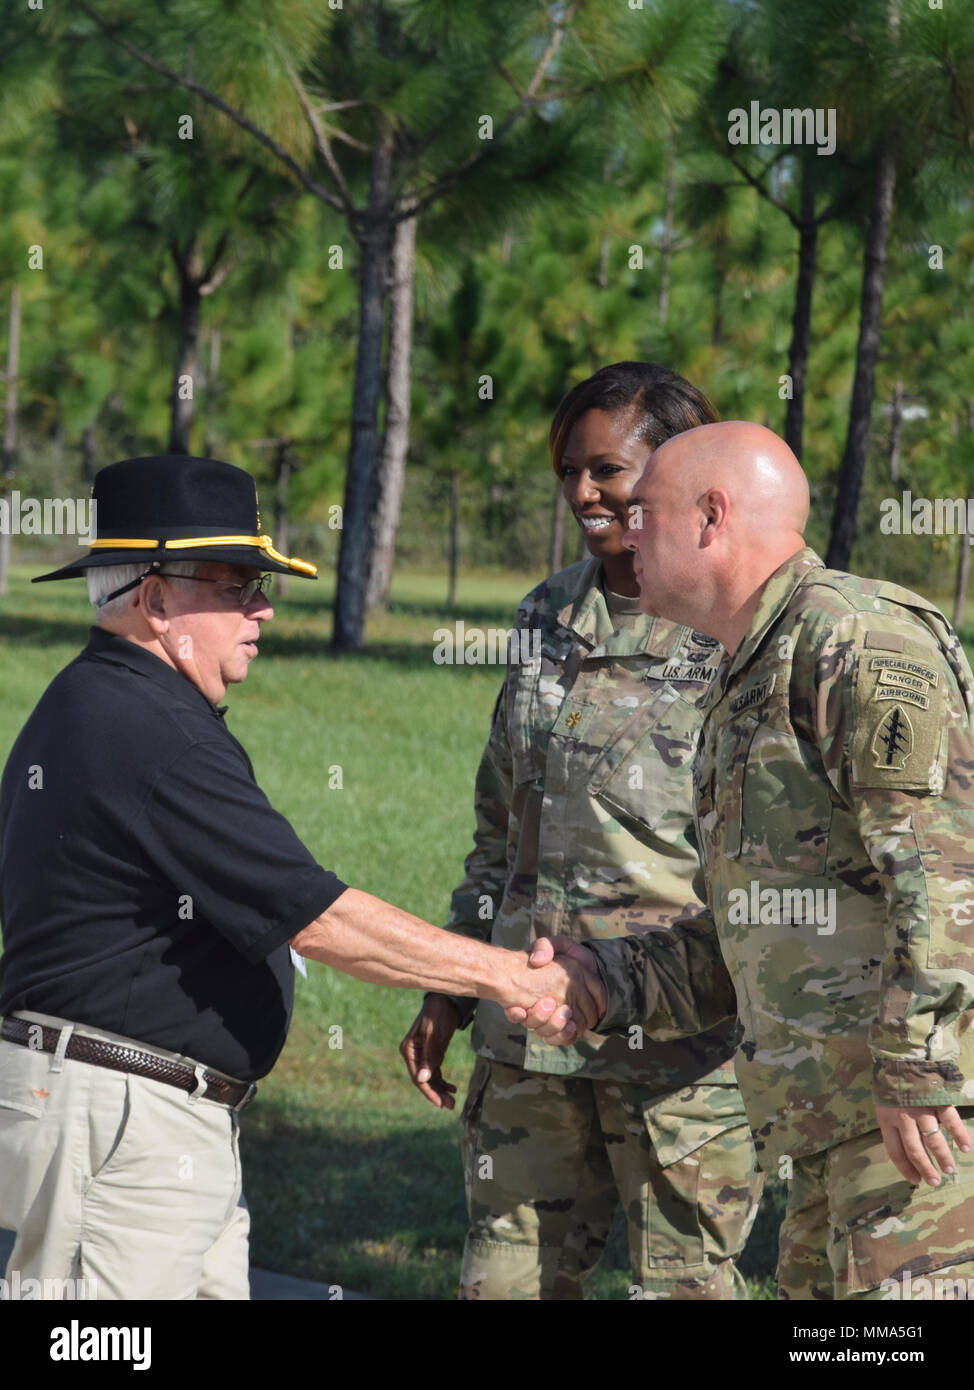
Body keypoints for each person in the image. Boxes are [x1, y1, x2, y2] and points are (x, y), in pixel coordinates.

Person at [0, 453, 602, 1301]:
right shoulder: (142, 726)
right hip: (120, 1128)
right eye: (236, 583)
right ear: (156, 597)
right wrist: (507, 976)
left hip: (142, 1119)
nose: (264, 607)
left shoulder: (113, 703)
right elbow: (317, 918)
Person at [523, 420, 974, 1300]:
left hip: (918, 1140)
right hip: (828, 1141)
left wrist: (920, 1070)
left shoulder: (856, 642)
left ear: (712, 517)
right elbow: (759, 929)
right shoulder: (745, 671)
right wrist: (609, 980)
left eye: (644, 511)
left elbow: (947, 875)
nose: (623, 530)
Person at [400, 365, 763, 1301]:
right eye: (569, 470)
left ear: (681, 474)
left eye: (608, 470)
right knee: (501, 1288)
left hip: (681, 1059)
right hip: (529, 1045)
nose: (583, 494)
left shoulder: (740, 634)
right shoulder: (545, 615)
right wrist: (455, 980)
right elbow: (499, 830)